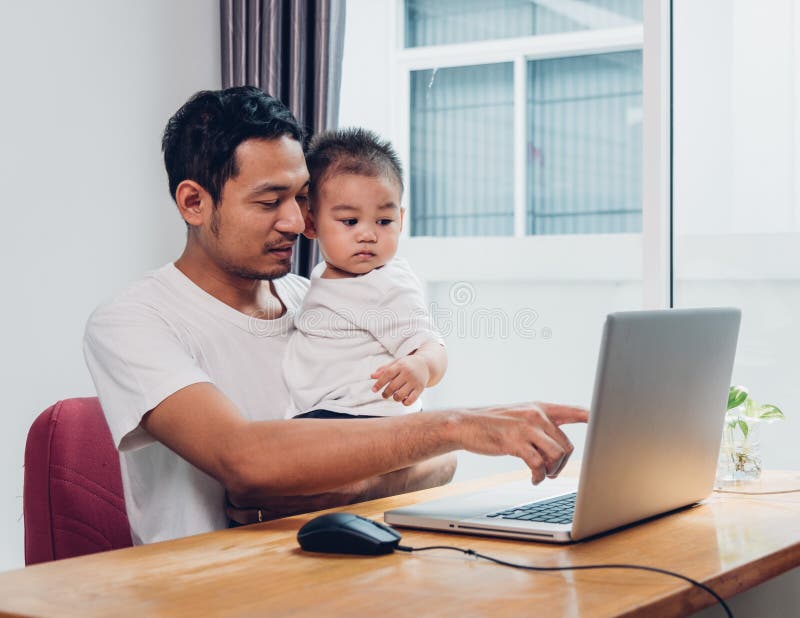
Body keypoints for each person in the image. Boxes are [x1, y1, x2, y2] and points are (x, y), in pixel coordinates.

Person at [83, 86, 588, 546]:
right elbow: (244, 459)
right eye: (270, 201)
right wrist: (454, 427)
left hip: (341, 575)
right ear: (194, 202)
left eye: (302, 198)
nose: (295, 221)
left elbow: (440, 458)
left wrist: (353, 485)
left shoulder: (322, 300)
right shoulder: (133, 321)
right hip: (210, 589)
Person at [284, 128, 445, 419]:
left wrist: (421, 364)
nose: (368, 234)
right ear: (311, 223)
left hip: (365, 416)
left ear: (400, 220)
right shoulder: (325, 276)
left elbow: (431, 345)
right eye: (350, 221)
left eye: (384, 221)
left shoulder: (385, 283)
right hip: (328, 411)